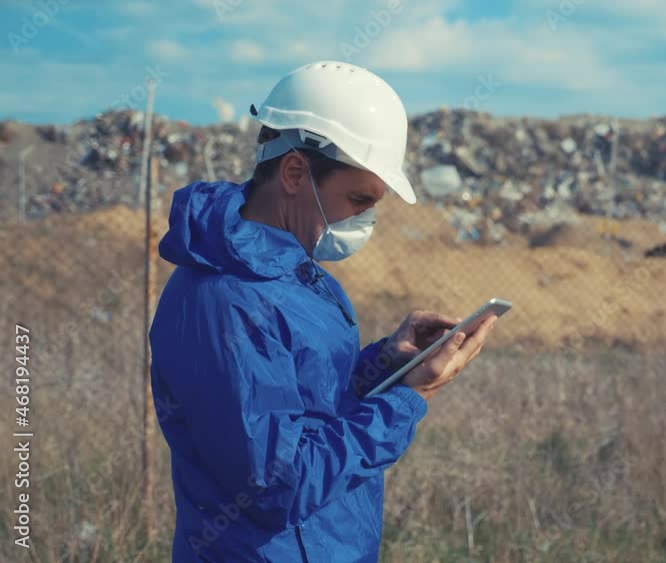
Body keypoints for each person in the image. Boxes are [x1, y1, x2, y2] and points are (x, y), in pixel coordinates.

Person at [149, 61, 497, 562]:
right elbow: (276, 484)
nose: (366, 219)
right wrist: (407, 400)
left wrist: (390, 363)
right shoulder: (226, 301)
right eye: (359, 198)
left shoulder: (291, 268)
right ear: (295, 172)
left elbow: (310, 404)